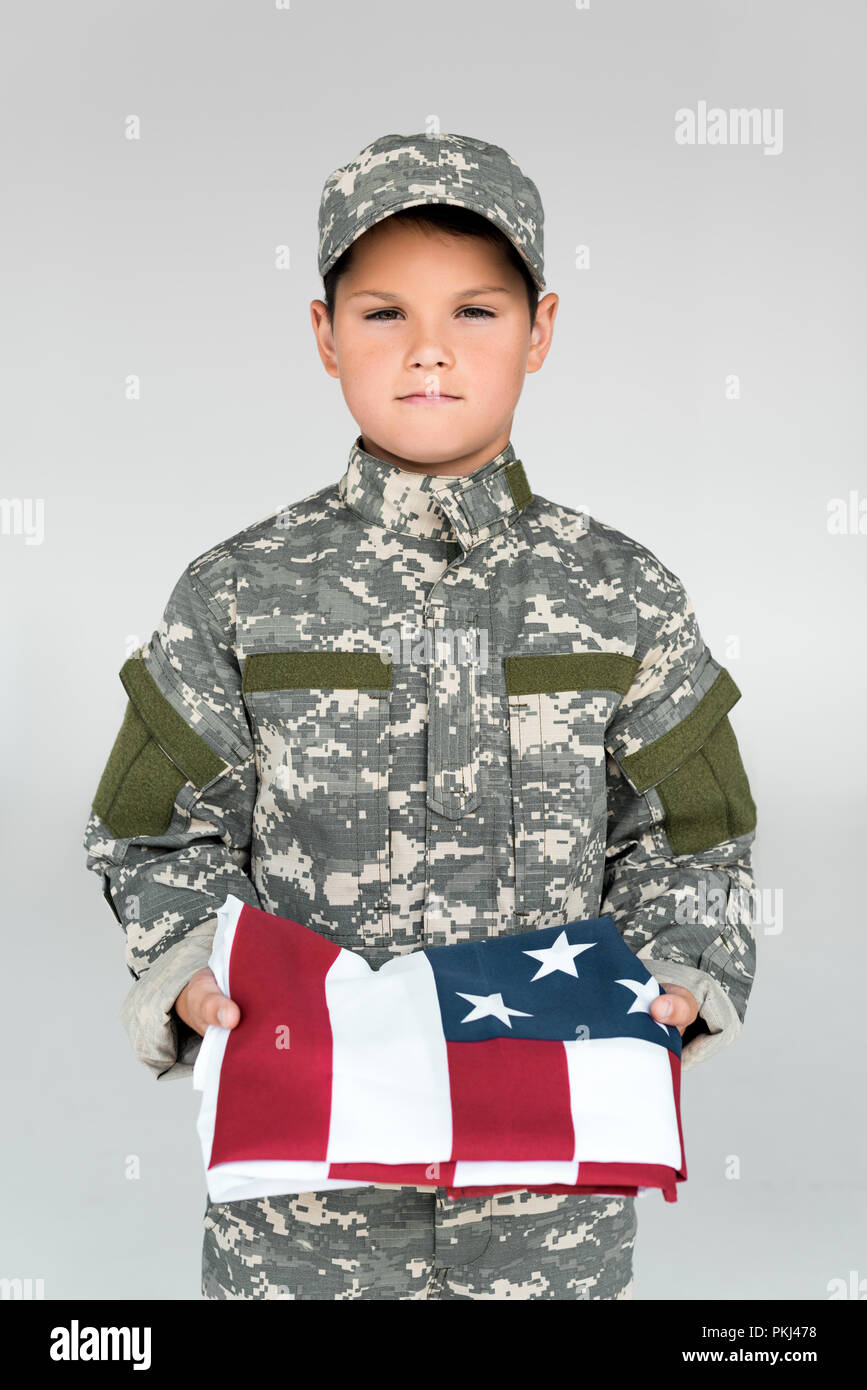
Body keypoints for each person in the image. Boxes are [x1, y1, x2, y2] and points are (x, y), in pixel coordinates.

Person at [82, 130, 758, 1300]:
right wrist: (192, 972)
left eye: (478, 312)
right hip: (306, 1188)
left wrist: (680, 970)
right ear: (323, 332)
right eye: (386, 312)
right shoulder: (238, 591)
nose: (431, 351)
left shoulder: (627, 593)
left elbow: (690, 833)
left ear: (541, 329)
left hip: (545, 1193)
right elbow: (155, 831)